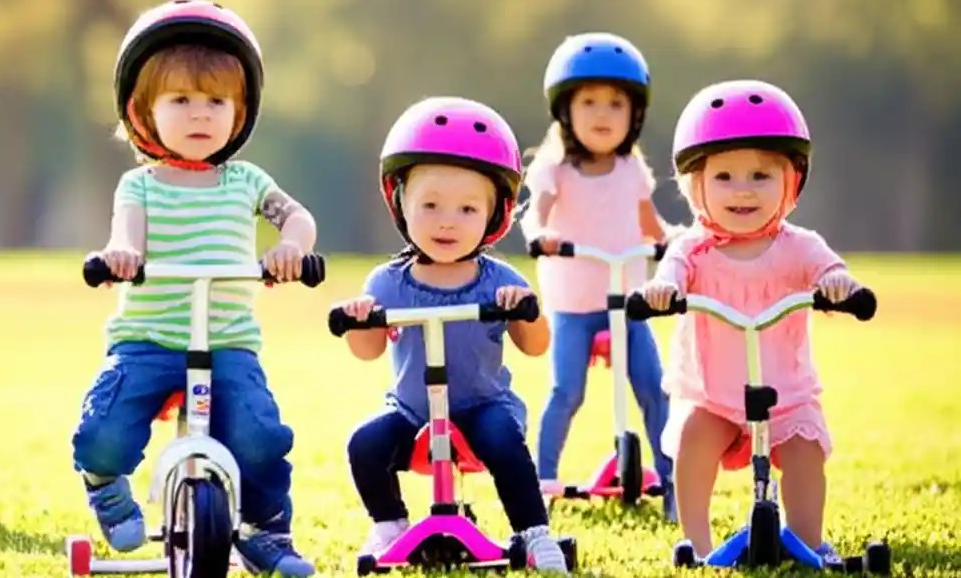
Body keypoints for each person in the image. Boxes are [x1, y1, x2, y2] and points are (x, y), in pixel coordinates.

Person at [71, 0, 319, 576]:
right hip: (148, 339)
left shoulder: (247, 181)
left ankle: (266, 530)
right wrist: (123, 254)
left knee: (260, 435)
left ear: (240, 112)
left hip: (229, 339)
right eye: (180, 100)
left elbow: (296, 217)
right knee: (103, 432)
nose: (200, 114)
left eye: (216, 101)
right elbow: (125, 231)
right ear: (144, 111)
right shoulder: (140, 186)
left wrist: (291, 249)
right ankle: (106, 485)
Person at [336, 96, 569, 573]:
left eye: (467, 208)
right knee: (365, 444)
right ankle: (390, 524)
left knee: (505, 441)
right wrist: (362, 319)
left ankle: (534, 532)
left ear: (494, 214)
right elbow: (367, 350)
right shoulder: (387, 284)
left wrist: (524, 311)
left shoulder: (500, 280)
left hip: (482, 405)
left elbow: (536, 344)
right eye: (431, 205)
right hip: (411, 409)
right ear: (401, 202)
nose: (447, 220)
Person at [637, 79, 864, 562]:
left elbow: (829, 268)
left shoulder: (798, 245)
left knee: (804, 451)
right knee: (695, 442)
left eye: (761, 176)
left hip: (786, 393)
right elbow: (671, 272)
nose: (742, 191)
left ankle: (808, 541)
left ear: (791, 182)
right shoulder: (693, 248)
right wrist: (664, 290)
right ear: (696, 186)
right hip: (713, 393)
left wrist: (838, 284)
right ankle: (696, 543)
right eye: (724, 177)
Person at [519, 32, 674, 517]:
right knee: (567, 390)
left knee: (654, 387)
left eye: (615, 103)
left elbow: (650, 223)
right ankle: (542, 480)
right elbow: (534, 215)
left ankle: (673, 482)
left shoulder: (630, 169)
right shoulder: (555, 169)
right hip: (574, 304)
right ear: (565, 111)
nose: (603, 115)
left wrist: (671, 242)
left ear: (635, 115)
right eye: (589, 102)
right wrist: (541, 235)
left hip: (628, 301)